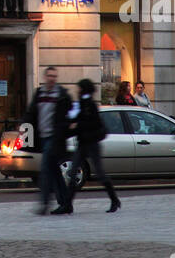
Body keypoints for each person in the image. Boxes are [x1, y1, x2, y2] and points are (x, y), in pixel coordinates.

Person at [61, 78, 121, 215]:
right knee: (74, 170)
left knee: (99, 173)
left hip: (91, 143)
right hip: (84, 142)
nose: (77, 90)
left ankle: (114, 199)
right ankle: (68, 204)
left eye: (79, 88)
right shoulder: (84, 103)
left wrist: (76, 125)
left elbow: (91, 124)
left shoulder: (88, 105)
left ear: (83, 89)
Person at [25, 66, 71, 215]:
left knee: (45, 169)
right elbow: (31, 114)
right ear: (45, 77)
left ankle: (44, 203)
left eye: (54, 76)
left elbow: (69, 113)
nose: (52, 78)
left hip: (55, 138)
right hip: (43, 138)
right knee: (55, 171)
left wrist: (64, 129)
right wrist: (24, 131)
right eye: (50, 76)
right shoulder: (39, 93)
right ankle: (65, 203)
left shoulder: (62, 94)